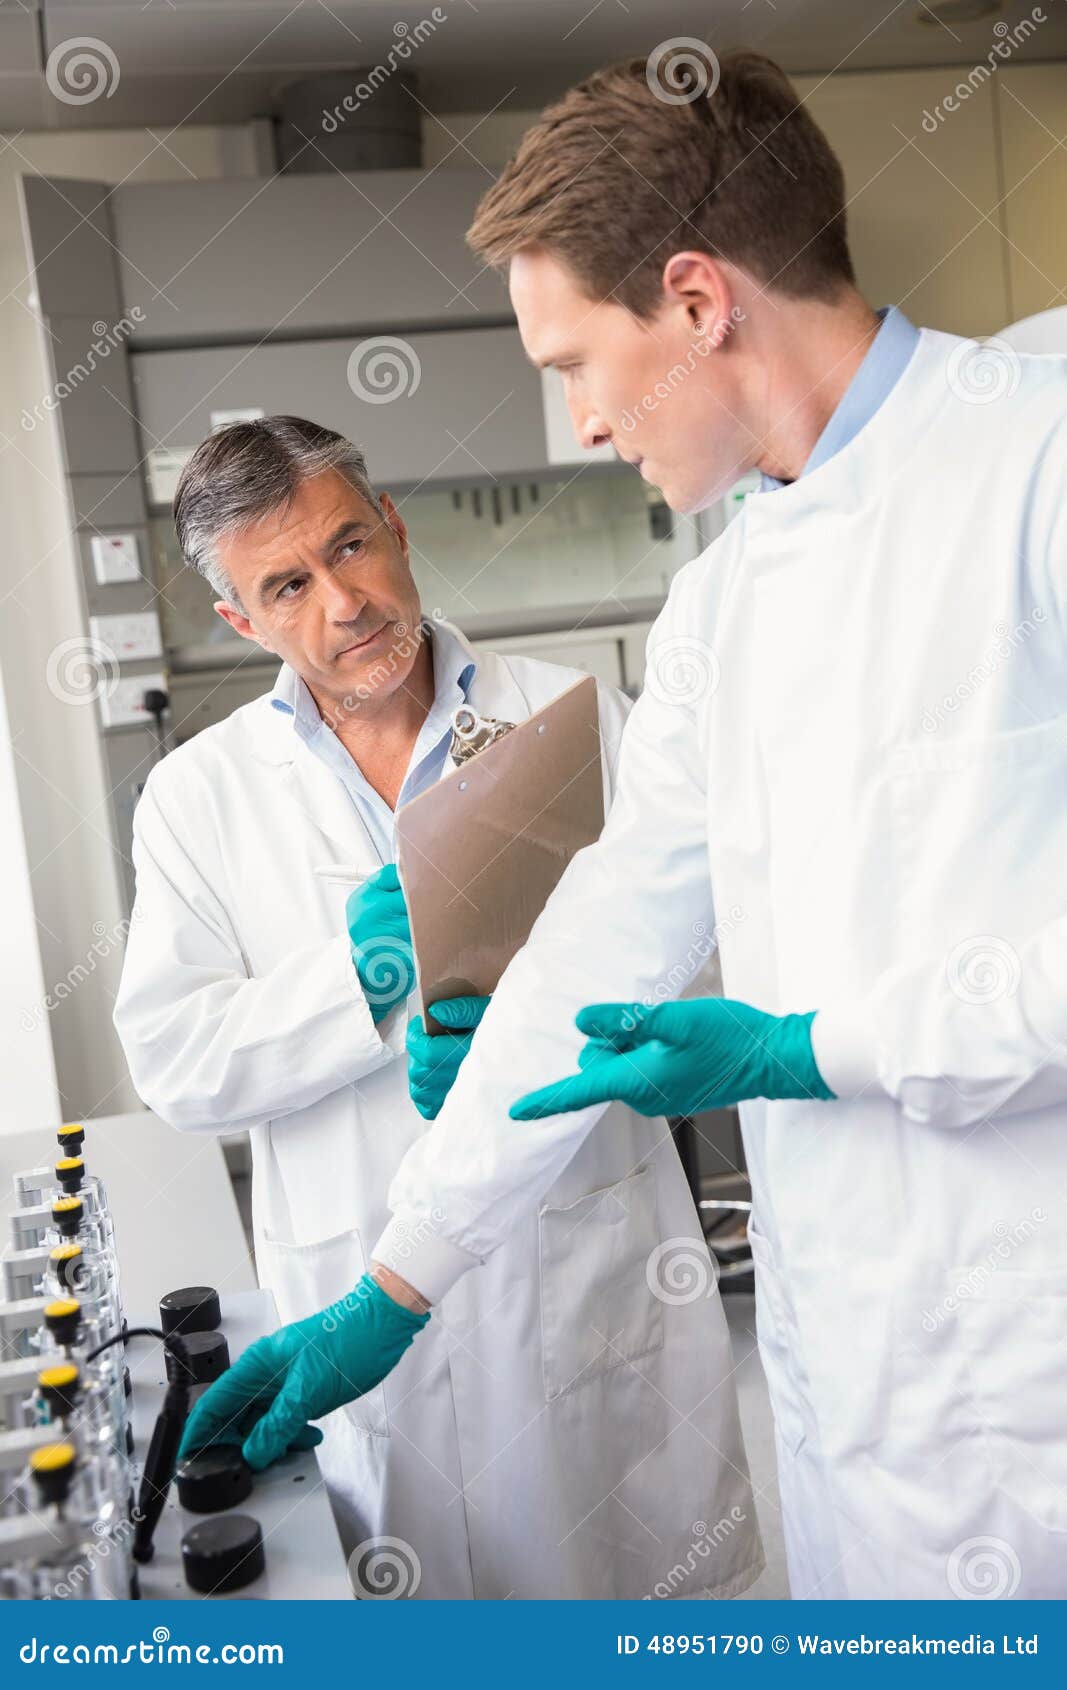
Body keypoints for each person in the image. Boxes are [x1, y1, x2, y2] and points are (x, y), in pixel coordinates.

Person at [181, 48, 1067, 1600]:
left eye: (577, 361)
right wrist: (397, 1279)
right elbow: (604, 923)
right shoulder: (722, 600)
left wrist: (807, 1048)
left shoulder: (1035, 450)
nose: (578, 423)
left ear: (696, 298)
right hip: (852, 1409)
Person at [113, 415, 761, 1601]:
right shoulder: (196, 798)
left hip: (586, 1271)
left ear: (395, 526)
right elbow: (175, 1058)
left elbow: (712, 956)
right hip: (365, 1297)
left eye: (351, 545)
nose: (342, 602)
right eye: (288, 585)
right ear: (241, 621)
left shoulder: (571, 714)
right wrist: (364, 993)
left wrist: (549, 1002)